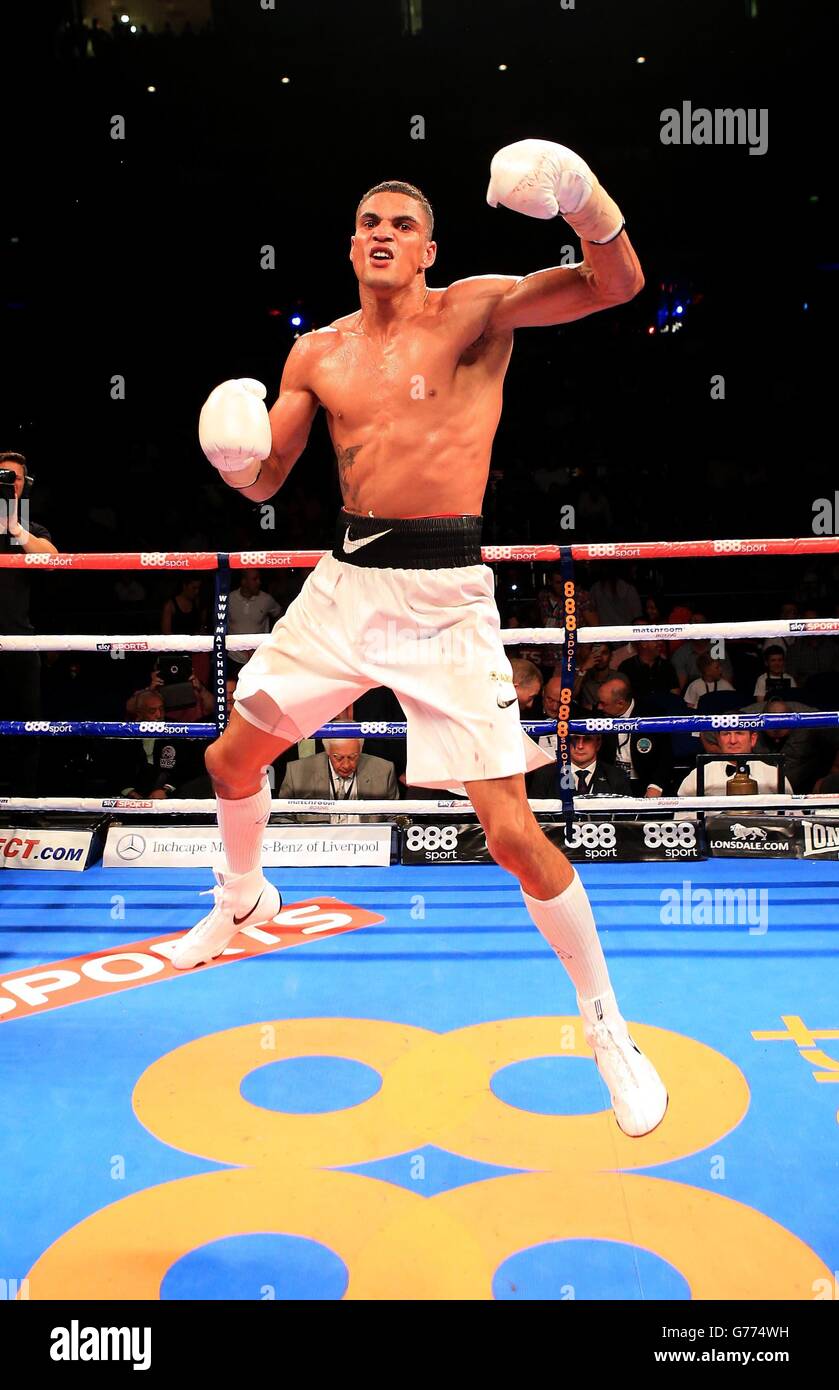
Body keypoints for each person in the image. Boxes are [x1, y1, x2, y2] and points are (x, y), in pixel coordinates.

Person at [173, 142, 667, 1137]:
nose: (383, 235)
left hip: (444, 598)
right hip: (344, 583)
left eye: (402, 223)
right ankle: (241, 894)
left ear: (430, 247)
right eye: (368, 223)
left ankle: (607, 1026)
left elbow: (617, 284)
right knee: (231, 756)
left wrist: (581, 197)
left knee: (513, 838)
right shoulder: (316, 353)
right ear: (350, 247)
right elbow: (270, 478)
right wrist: (236, 462)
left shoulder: (476, 309)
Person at [0, 451, 58, 794]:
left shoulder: (29, 528)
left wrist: (14, 527)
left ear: (26, 484)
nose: (9, 483)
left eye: (15, 477)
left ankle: (25, 805)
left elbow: (52, 561)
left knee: (27, 729)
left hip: (19, 642)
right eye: (2, 476)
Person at [279, 737, 399, 823]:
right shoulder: (297, 772)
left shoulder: (384, 770)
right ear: (328, 751)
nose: (346, 765)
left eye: (353, 757)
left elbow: (395, 818)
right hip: (316, 850)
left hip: (365, 848)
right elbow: (280, 817)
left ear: (360, 750)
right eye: (338, 758)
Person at [595, 674, 672, 796]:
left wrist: (656, 786)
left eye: (603, 703)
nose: (599, 707)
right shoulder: (600, 715)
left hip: (644, 781)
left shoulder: (652, 716)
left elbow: (665, 756)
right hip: (610, 781)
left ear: (620, 703)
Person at [528, 731, 631, 799]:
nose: (580, 746)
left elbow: (625, 822)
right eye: (575, 739)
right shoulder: (545, 775)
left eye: (587, 739)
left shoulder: (617, 777)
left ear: (598, 743)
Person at [227, 569, 283, 670]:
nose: (259, 582)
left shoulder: (266, 600)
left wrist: (275, 635)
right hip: (234, 658)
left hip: (258, 658)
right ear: (244, 581)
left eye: (259, 579)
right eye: (254, 579)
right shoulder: (229, 599)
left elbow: (279, 614)